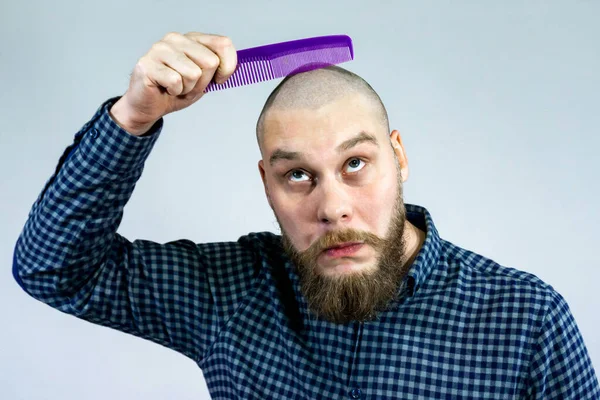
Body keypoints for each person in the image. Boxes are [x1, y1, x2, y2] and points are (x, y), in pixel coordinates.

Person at [13, 31, 600, 399]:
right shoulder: (230, 292)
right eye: (298, 175)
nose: (333, 208)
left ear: (398, 155)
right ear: (267, 184)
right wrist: (132, 119)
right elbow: (52, 269)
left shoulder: (527, 322)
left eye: (356, 164)